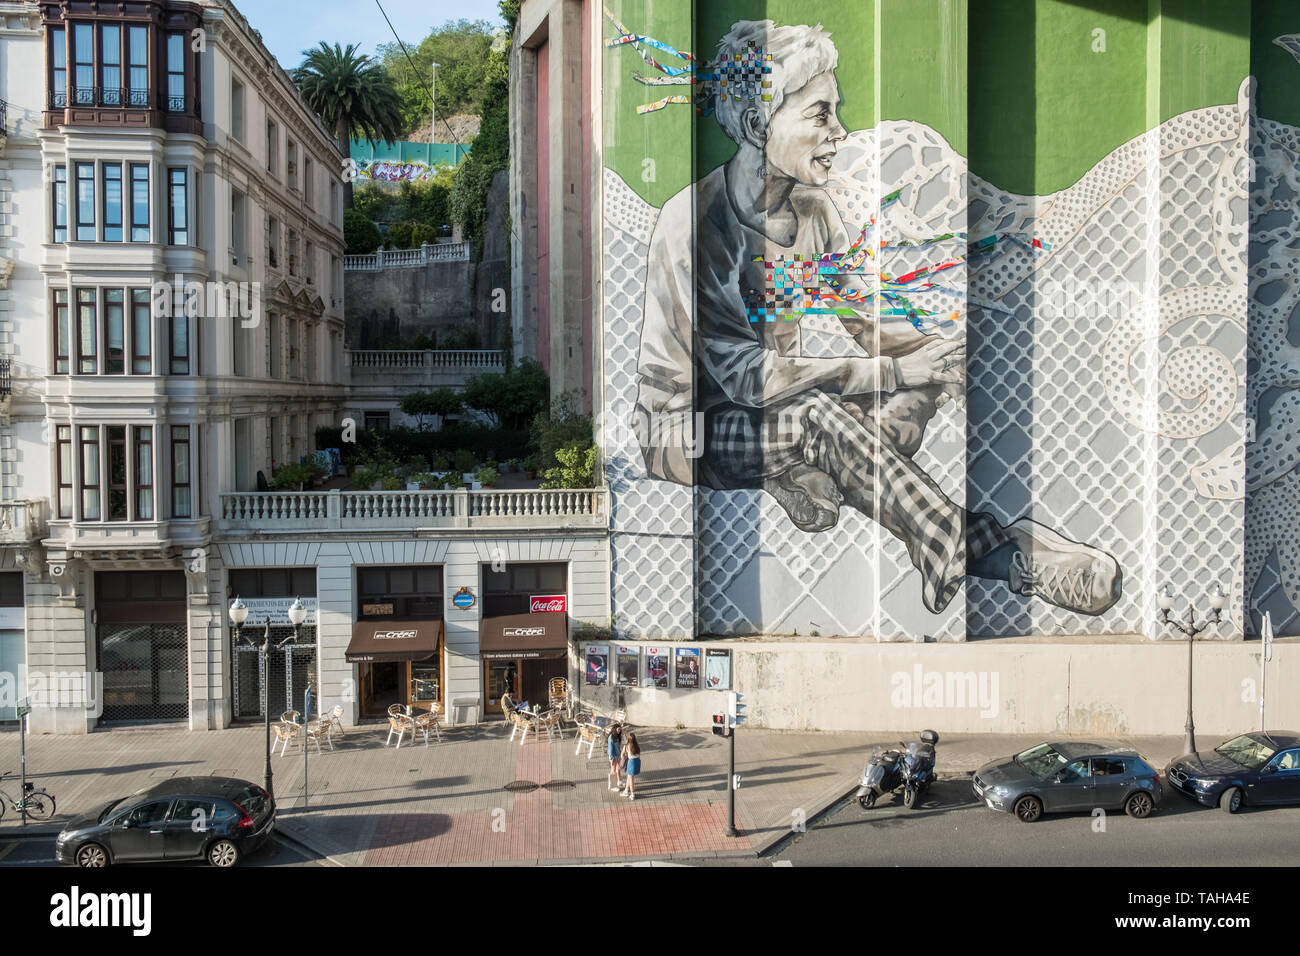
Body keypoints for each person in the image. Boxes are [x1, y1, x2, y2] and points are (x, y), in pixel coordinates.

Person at [633, 19, 1122, 618]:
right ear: (761, 125)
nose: (839, 132)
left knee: (905, 388)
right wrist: (890, 372)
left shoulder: (814, 211)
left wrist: (936, 362)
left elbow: (867, 320)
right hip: (688, 428)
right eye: (820, 115)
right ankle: (978, 548)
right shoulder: (695, 224)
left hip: (781, 411)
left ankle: (806, 475)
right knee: (825, 412)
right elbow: (746, 380)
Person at [623, 733, 642, 800]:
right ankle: (625, 790)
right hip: (637, 761)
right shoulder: (637, 746)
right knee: (629, 776)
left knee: (631, 779)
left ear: (628, 739)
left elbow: (622, 754)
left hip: (631, 762)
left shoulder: (626, 746)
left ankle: (632, 794)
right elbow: (639, 754)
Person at [607, 723, 625, 792]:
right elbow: (611, 749)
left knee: (618, 769)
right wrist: (612, 759)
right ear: (615, 729)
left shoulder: (617, 736)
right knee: (613, 770)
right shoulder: (611, 737)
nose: (619, 731)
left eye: (620, 729)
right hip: (613, 756)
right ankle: (612, 786)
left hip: (617, 755)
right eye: (618, 729)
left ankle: (619, 781)